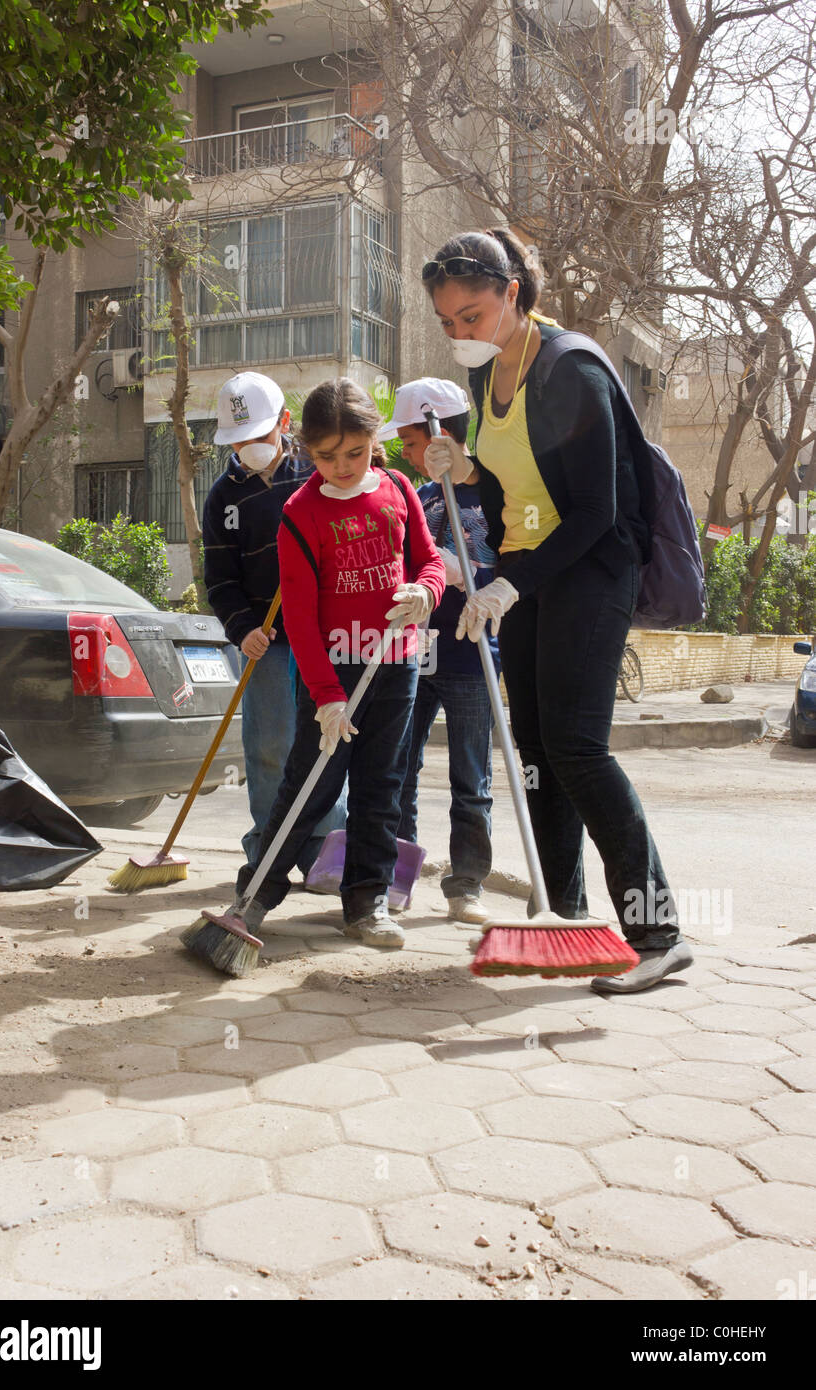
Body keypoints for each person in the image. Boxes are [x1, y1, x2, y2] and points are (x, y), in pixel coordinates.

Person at [420, 228, 693, 994]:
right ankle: (561, 916)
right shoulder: (484, 379)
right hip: (531, 573)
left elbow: (598, 509)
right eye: (447, 323)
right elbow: (512, 489)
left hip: (592, 568)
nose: (459, 335)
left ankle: (657, 931)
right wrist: (467, 470)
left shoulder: (571, 368)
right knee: (534, 750)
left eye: (470, 316)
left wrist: (513, 583)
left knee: (576, 747)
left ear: (512, 293)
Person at [226, 377, 445, 948]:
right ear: (307, 449)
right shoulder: (300, 512)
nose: (342, 466)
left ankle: (367, 904)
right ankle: (254, 897)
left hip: (394, 666)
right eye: (326, 457)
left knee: (382, 787)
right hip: (335, 674)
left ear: (376, 440)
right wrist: (324, 694)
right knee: (310, 785)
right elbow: (297, 616)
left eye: (354, 452)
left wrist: (425, 591)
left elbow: (429, 562)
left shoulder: (398, 489)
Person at [202, 371, 345, 882]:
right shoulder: (223, 498)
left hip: (327, 637)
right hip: (266, 644)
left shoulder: (318, 471)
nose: (250, 449)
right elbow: (219, 580)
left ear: (285, 424)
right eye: (239, 441)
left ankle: (327, 854)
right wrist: (242, 629)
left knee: (327, 744)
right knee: (267, 748)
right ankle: (268, 851)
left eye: (259, 437)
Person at [380, 377, 500, 925]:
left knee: (470, 776)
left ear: (440, 433)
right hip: (417, 651)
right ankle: (396, 875)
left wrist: (471, 573)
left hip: (472, 655)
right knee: (400, 767)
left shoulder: (497, 493)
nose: (406, 456)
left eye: (410, 443)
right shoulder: (424, 495)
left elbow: (517, 564)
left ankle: (465, 884)